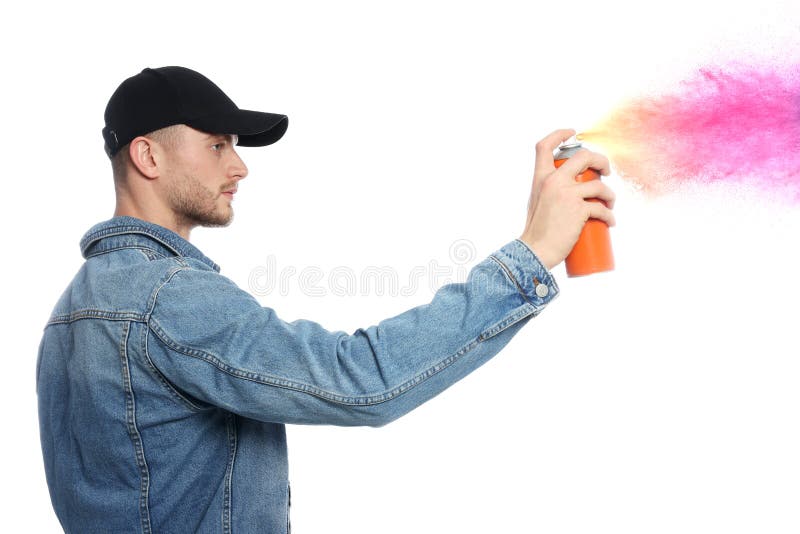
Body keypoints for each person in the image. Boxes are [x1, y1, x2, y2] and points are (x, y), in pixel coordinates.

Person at [36, 66, 615, 533]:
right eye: (217, 145)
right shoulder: (166, 297)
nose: (239, 166)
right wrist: (533, 253)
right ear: (148, 157)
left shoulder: (69, 310)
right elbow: (361, 380)